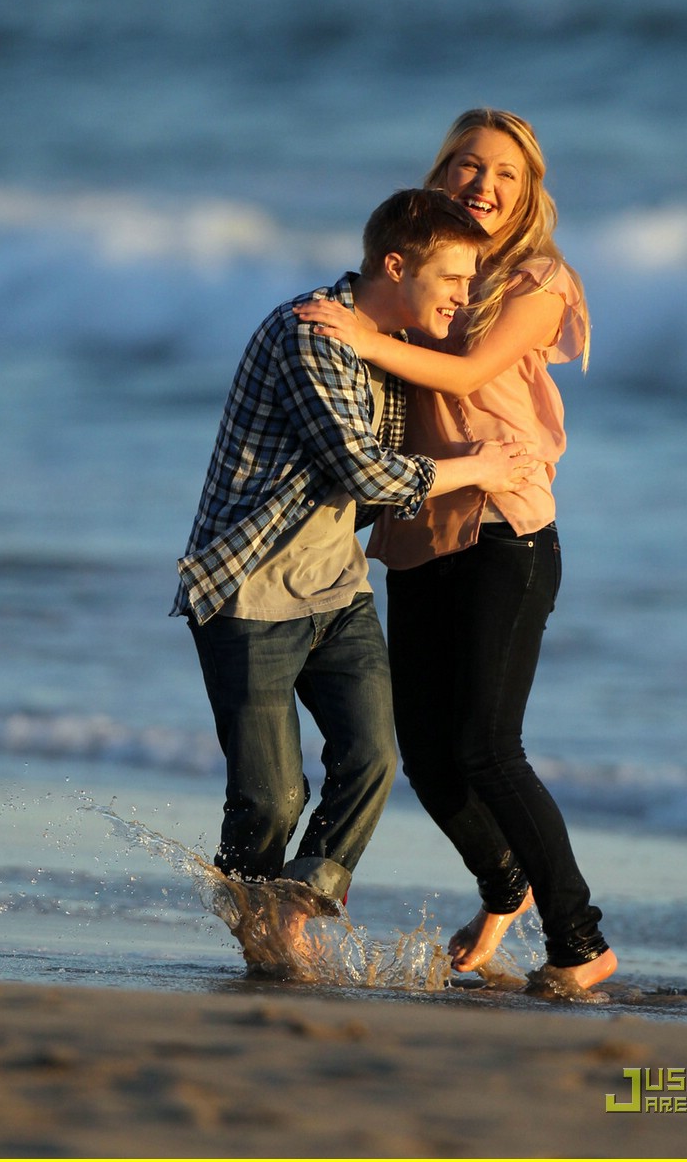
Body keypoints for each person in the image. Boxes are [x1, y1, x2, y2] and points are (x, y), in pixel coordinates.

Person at [293, 109, 618, 991]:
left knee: (486, 746)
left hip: (506, 529)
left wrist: (363, 336)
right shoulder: (422, 275)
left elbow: (471, 374)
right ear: (439, 176)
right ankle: (503, 885)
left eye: (505, 175)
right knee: (428, 755)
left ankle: (582, 943)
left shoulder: (537, 278)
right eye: (468, 167)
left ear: (528, 196)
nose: (483, 184)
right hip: (420, 532)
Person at [171, 187, 534, 925]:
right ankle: (250, 911)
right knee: (271, 797)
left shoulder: (395, 344)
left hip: (337, 588)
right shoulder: (310, 333)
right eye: (454, 280)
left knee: (373, 761)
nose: (466, 297)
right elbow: (364, 471)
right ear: (396, 267)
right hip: (251, 592)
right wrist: (482, 468)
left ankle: (294, 910)